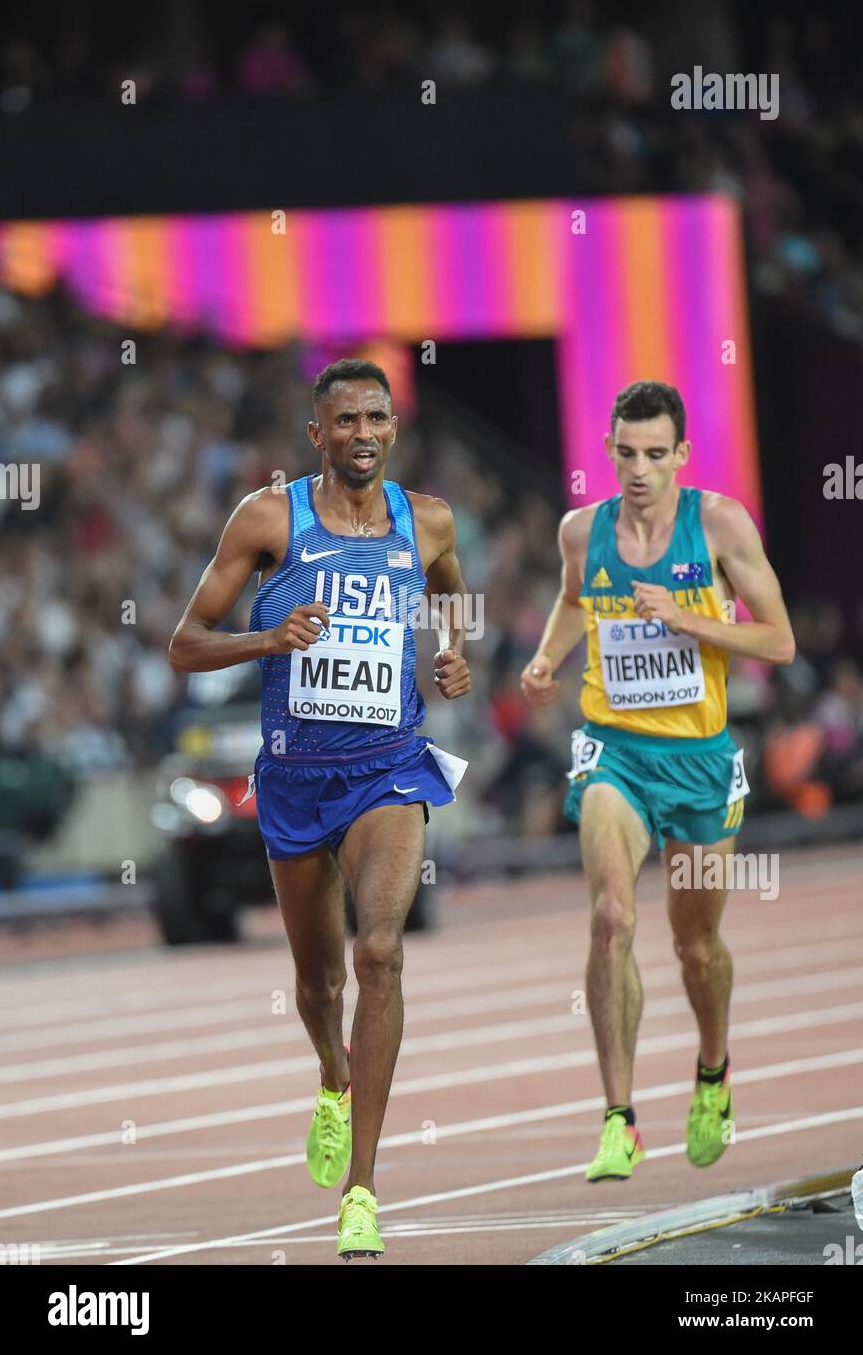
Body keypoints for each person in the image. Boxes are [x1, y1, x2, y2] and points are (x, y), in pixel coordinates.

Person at [168, 359, 470, 1256]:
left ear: (392, 427)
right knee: (318, 983)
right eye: (345, 421)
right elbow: (184, 645)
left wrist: (455, 657)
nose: (364, 433)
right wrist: (270, 635)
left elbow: (455, 590)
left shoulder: (430, 519)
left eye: (377, 417)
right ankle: (332, 1077)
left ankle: (363, 1190)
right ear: (317, 434)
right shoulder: (269, 520)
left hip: (390, 771)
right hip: (296, 782)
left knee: (379, 952)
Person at [520, 380, 795, 1182]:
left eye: (654, 454)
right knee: (610, 918)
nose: (638, 470)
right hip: (616, 750)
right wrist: (546, 657)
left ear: (679, 455)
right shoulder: (581, 532)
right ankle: (619, 1118)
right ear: (609, 452)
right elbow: (574, 602)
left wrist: (687, 618)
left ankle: (712, 1071)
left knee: (694, 944)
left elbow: (776, 642)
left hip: (702, 763)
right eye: (625, 453)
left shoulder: (718, 524)